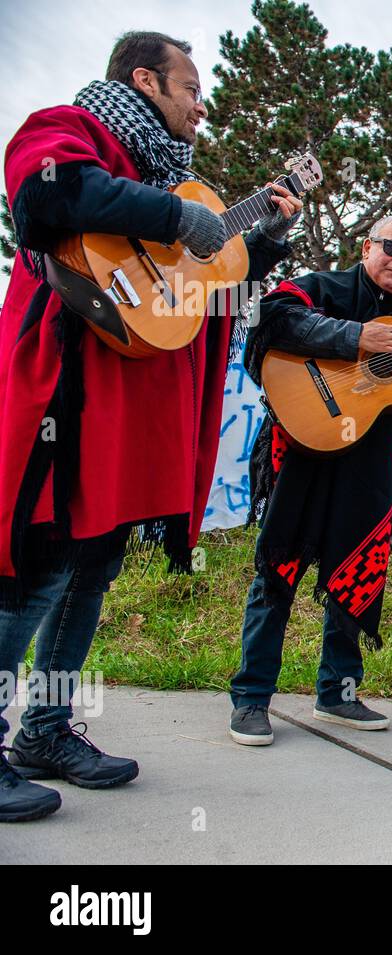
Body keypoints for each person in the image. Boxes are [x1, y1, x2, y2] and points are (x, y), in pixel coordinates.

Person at [0, 31, 300, 822]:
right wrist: (173, 214)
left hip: (131, 415)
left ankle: (45, 729)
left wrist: (262, 238)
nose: (202, 105)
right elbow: (42, 193)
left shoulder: (177, 184)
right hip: (68, 400)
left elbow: (209, 280)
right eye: (191, 88)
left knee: (91, 569)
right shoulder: (72, 127)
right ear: (145, 79)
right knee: (35, 570)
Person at [228, 216, 392, 745]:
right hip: (304, 456)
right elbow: (271, 320)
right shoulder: (323, 287)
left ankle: (338, 695)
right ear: (367, 247)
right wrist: (354, 337)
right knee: (276, 576)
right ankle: (251, 698)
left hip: (369, 474)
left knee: (355, 578)